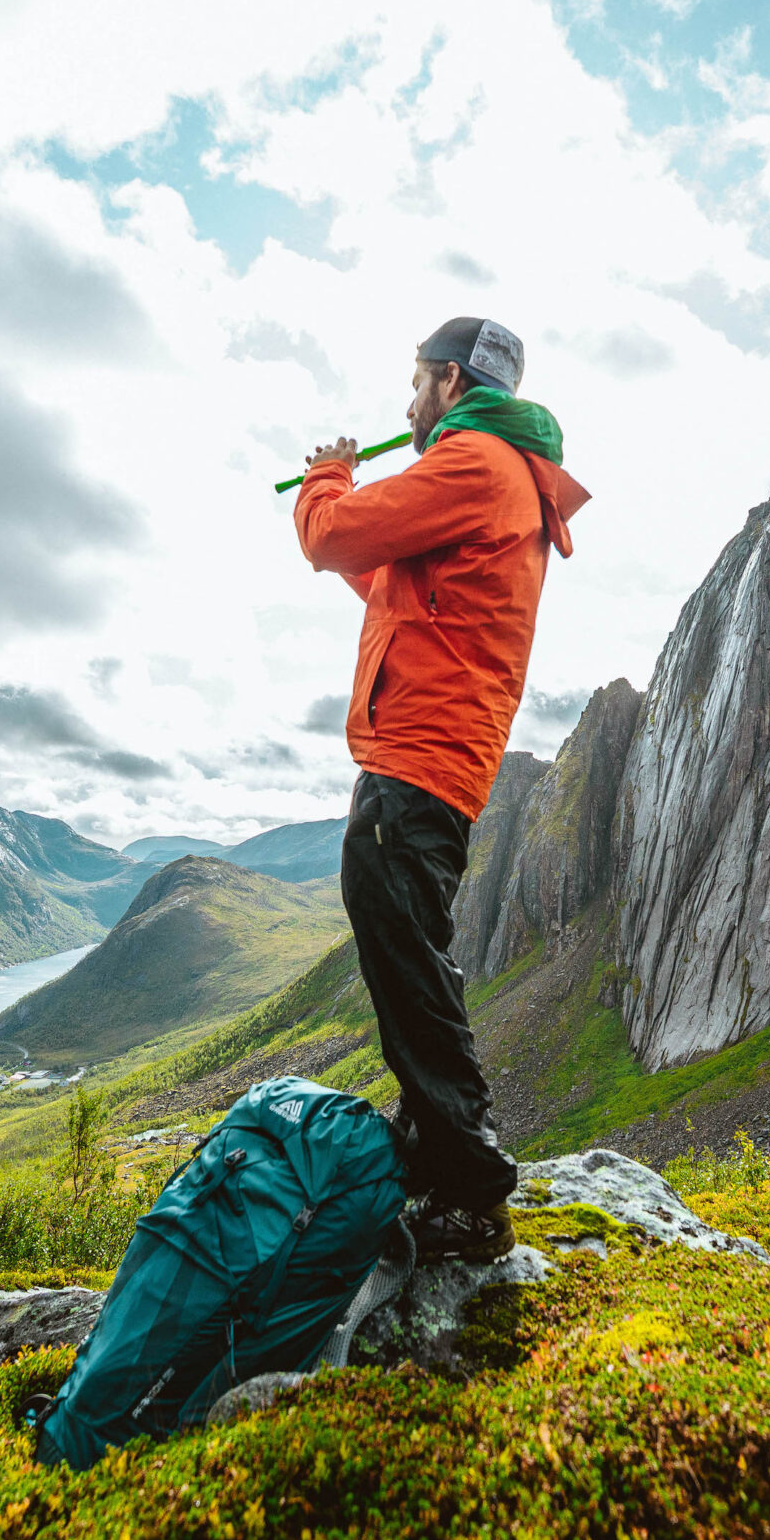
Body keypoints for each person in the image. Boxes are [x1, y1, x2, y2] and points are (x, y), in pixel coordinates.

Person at [291, 317, 589, 1262]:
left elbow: (335, 535)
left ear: (451, 382)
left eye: (416, 383)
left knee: (406, 964)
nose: (407, 404)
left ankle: (469, 1187)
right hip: (432, 755)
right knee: (411, 949)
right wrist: (343, 525)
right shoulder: (496, 475)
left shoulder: (473, 463)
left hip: (417, 758)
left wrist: (326, 477)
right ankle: (431, 1146)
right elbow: (388, 578)